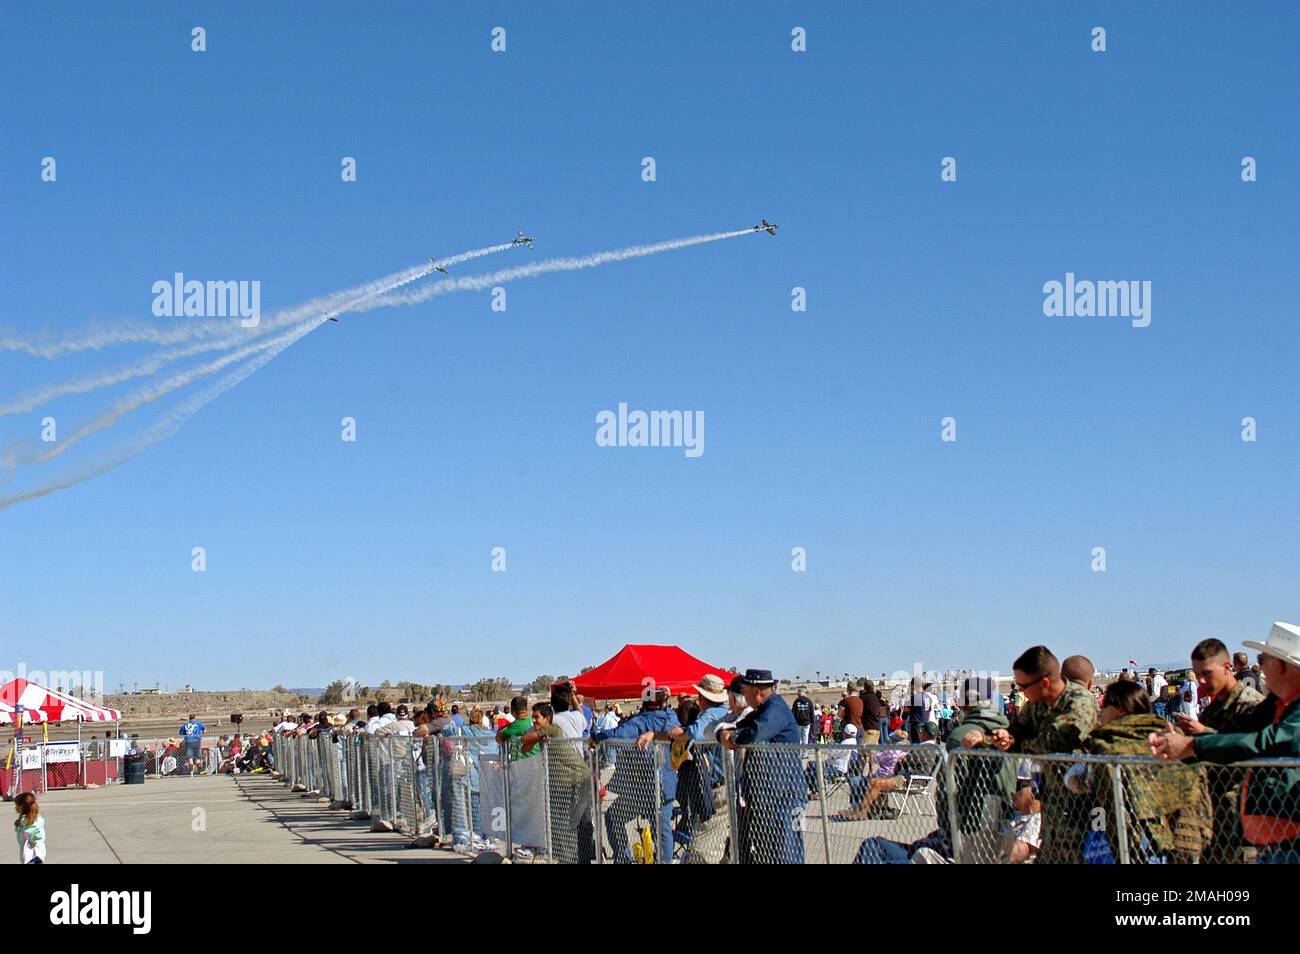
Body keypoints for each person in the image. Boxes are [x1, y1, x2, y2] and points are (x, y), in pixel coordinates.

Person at [1150, 622, 1300, 864]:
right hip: (1257, 829)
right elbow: (1239, 732)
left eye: (1264, 659)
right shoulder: (1276, 704)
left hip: (1280, 834)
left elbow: (1265, 741)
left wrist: (1193, 745)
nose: (1260, 666)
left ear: (1281, 665)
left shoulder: (1281, 706)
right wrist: (1185, 741)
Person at [1065, 680, 1210, 864]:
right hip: (1186, 836)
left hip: (1136, 841)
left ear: (1121, 709)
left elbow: (1082, 780)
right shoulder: (1173, 735)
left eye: (1106, 706)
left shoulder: (1107, 743)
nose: (1102, 712)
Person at [982, 646, 1098, 863]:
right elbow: (1017, 730)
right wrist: (1003, 736)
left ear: (1044, 683)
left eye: (1023, 686)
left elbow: (1056, 740)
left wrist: (1014, 743)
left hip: (1085, 807)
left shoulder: (1080, 701)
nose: (1021, 691)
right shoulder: (1037, 706)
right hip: (1054, 805)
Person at [719, 669, 806, 864]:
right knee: (770, 853)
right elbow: (739, 727)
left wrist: (732, 738)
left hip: (787, 797)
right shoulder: (763, 710)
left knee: (787, 853)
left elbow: (754, 732)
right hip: (770, 797)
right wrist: (725, 734)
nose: (743, 695)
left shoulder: (775, 709)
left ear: (756, 690)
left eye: (745, 690)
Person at [590, 687, 680, 862]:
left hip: (642, 786)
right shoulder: (671, 718)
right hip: (666, 783)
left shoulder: (640, 721)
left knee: (614, 816)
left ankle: (623, 858)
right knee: (662, 830)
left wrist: (597, 736)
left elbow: (618, 734)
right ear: (664, 702)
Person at [521, 702, 595, 864]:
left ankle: (571, 859)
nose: (533, 720)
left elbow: (524, 738)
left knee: (566, 825)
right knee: (568, 824)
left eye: (536, 717)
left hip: (576, 781)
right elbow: (524, 748)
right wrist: (537, 737)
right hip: (566, 782)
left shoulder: (553, 729)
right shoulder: (542, 732)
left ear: (547, 718)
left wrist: (536, 736)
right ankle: (577, 858)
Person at [13, 793, 45, 864]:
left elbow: (37, 833)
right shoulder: (29, 819)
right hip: (29, 853)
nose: (15, 808)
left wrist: (33, 841)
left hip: (33, 854)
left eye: (17, 805)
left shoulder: (30, 821)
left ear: (23, 807)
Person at [859, 679, 884, 744]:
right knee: (874, 752)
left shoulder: (863, 697)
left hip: (869, 729)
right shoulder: (876, 697)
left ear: (864, 687)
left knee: (866, 752)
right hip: (877, 728)